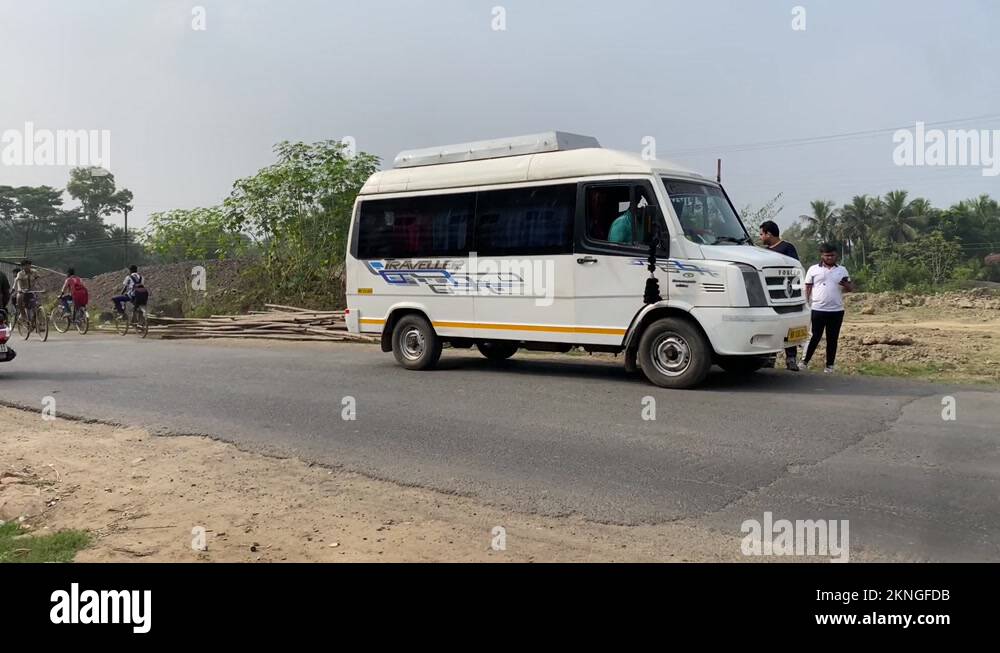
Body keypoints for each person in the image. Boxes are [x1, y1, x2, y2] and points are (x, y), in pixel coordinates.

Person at [803, 244, 855, 373]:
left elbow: (850, 288)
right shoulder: (813, 269)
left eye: (832, 255)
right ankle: (804, 362)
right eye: (827, 255)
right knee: (815, 337)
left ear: (836, 255)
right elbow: (808, 288)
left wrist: (846, 284)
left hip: (836, 310)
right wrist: (805, 304)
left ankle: (829, 366)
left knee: (832, 339)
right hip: (818, 309)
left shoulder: (842, 270)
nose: (830, 258)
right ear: (822, 256)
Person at [759, 220, 801, 371]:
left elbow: (795, 269)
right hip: (770, 295)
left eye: (761, 234)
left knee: (789, 328)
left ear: (768, 233)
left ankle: (791, 359)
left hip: (787, 293)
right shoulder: (764, 251)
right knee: (771, 327)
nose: (760, 237)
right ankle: (769, 358)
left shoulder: (787, 248)